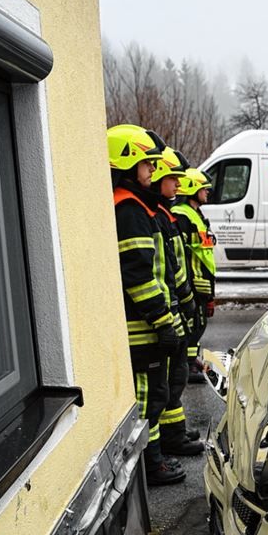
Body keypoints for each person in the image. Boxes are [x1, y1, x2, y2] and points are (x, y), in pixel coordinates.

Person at [108, 124, 185, 485]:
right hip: (142, 327)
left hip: (145, 323)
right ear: (129, 162)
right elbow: (139, 274)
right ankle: (148, 467)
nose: (153, 173)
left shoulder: (135, 206)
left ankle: (150, 463)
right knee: (147, 400)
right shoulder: (130, 211)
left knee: (154, 396)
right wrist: (163, 322)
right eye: (148, 166)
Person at [149, 147, 203, 457]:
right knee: (165, 384)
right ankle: (165, 444)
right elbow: (155, 270)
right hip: (165, 312)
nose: (178, 186)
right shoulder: (148, 215)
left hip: (175, 307)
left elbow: (174, 265)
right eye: (173, 180)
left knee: (175, 378)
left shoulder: (163, 214)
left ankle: (174, 432)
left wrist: (187, 299)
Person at [171, 168, 216, 382]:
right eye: (203, 188)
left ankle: (191, 361)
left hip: (201, 281)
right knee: (194, 325)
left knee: (198, 324)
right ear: (192, 188)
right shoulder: (182, 216)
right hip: (193, 283)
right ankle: (188, 366)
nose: (207, 192)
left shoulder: (194, 214)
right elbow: (184, 255)